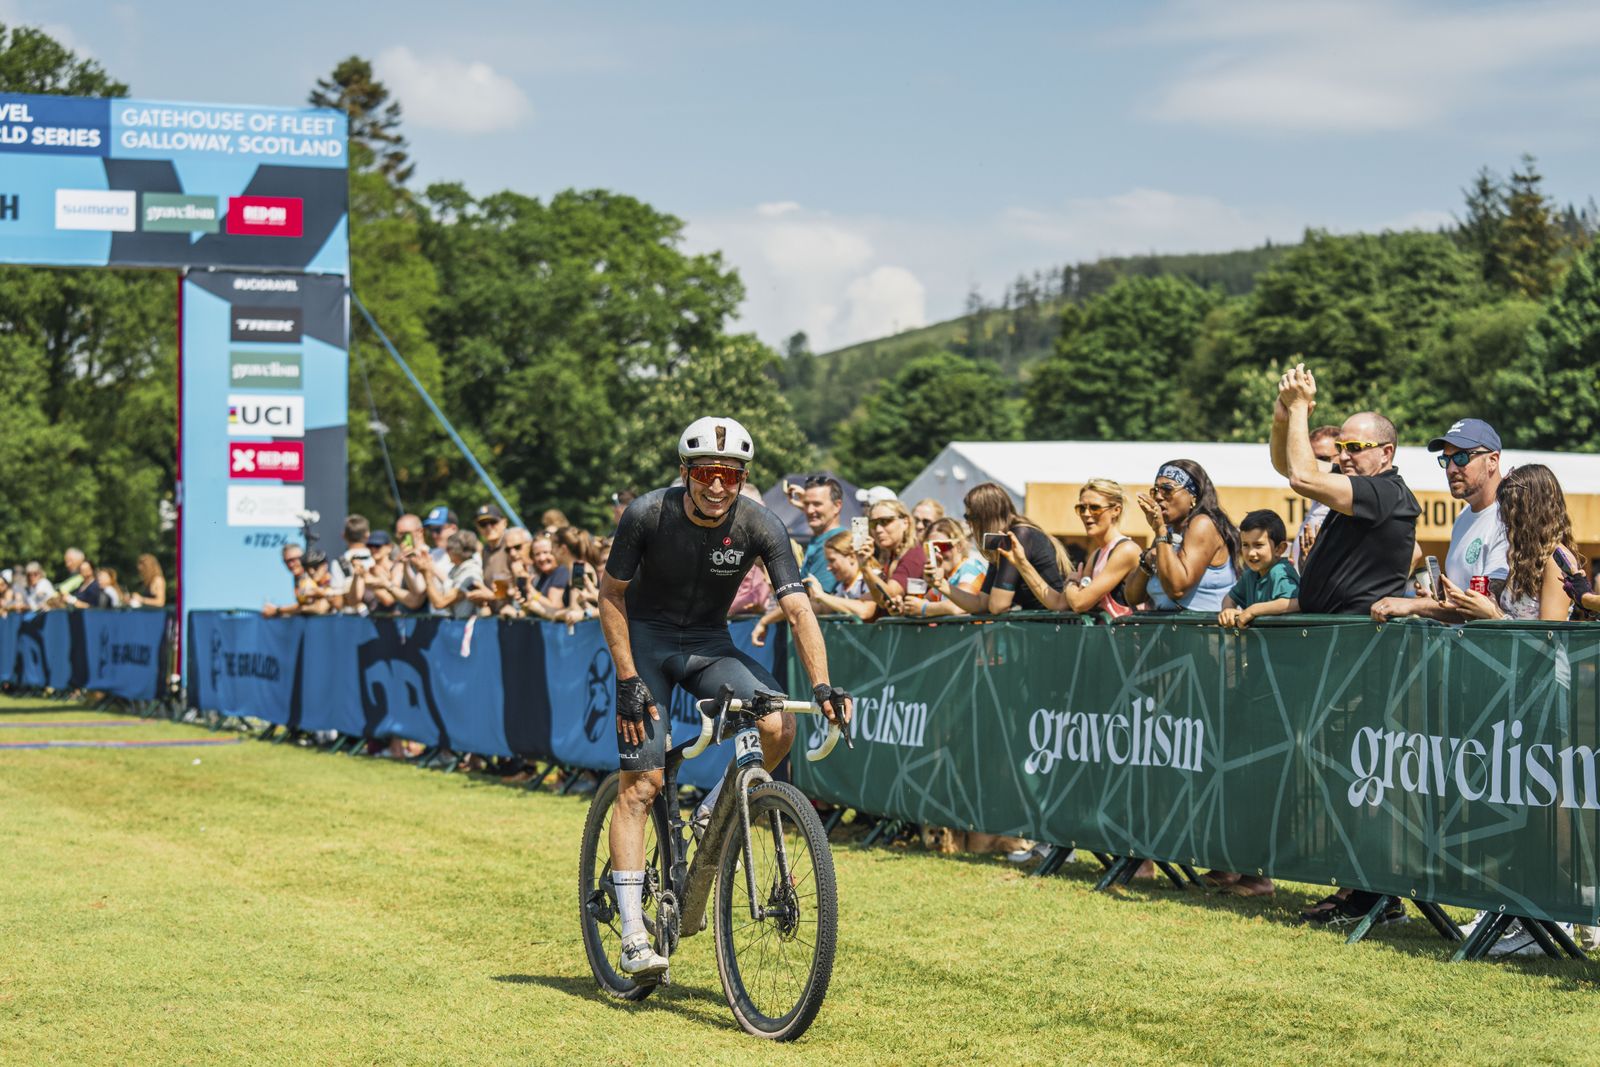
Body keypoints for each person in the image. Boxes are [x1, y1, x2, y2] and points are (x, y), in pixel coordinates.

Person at [601, 415, 851, 980]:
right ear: (687, 471)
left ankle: (717, 805)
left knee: (778, 723)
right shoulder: (646, 514)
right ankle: (635, 935)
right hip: (646, 642)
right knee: (642, 785)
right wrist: (625, 678)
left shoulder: (760, 524)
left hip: (709, 644)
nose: (719, 485)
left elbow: (798, 607)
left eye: (732, 475)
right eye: (708, 472)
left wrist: (822, 684)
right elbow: (611, 593)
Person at [1271, 363, 1419, 927]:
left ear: (1386, 451)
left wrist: (1305, 407)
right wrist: (1286, 411)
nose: (1347, 454)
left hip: (1365, 660)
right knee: (1340, 776)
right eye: (1344, 446)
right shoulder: (1358, 490)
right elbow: (1293, 465)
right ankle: (1357, 890)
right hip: (1338, 655)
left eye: (1358, 446)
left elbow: (1302, 479)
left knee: (1365, 779)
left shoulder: (1385, 492)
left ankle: (1376, 895)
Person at [1371, 419, 1508, 623]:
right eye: (1446, 460)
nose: (1451, 469)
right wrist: (1437, 599)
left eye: (1461, 457)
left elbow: (1486, 606)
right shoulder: (1463, 517)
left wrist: (1413, 605)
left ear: (1493, 460)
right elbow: (1461, 608)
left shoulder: (1509, 517)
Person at [1443, 464, 1580, 623]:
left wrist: (1495, 615)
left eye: (1510, 510)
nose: (1503, 518)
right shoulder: (1521, 557)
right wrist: (1463, 603)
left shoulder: (1557, 560)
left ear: (1531, 512)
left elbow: (1549, 637)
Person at [997, 478, 1139, 616]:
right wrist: (1021, 563)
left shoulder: (1126, 550)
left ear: (1116, 510)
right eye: (1081, 508)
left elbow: (1079, 603)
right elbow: (1058, 603)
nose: (1086, 514)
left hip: (1127, 639)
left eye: (1095, 508)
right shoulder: (1096, 555)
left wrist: (1071, 582)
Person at [934, 483, 1067, 615]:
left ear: (984, 516)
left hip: (1055, 625)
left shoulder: (1017, 536)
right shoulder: (1003, 540)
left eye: (969, 517)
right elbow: (981, 603)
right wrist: (941, 584)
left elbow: (998, 606)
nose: (968, 523)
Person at [1123, 461, 1239, 613]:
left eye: (1167, 489)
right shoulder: (1166, 531)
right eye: (1155, 490)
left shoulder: (1202, 524)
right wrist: (1146, 562)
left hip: (1204, 632)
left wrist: (1160, 532)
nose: (1158, 496)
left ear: (1192, 496)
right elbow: (1132, 597)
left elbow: (1177, 589)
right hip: (1171, 632)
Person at [1216, 510, 1300, 631]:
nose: (1251, 553)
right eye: (1245, 545)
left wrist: (1253, 610)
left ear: (1279, 548)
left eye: (1258, 545)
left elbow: (1294, 603)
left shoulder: (1281, 571)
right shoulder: (1250, 574)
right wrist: (1227, 610)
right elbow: (1230, 597)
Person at [854, 497, 928, 617]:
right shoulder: (890, 556)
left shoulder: (915, 554)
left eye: (885, 522)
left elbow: (889, 596)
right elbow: (879, 599)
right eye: (873, 523)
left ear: (905, 522)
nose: (878, 530)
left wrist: (865, 567)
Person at [910, 517, 988, 618]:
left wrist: (924, 608)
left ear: (959, 546)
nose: (937, 554)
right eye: (931, 548)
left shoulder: (970, 567)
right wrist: (904, 606)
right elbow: (924, 601)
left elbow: (961, 607)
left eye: (943, 546)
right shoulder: (947, 576)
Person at [1289, 426, 1341, 567]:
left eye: (1323, 459)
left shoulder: (1345, 505)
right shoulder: (1318, 501)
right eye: (1310, 460)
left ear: (1344, 456)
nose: (1313, 466)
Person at [803, 530, 875, 620]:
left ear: (851, 557)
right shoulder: (841, 586)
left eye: (832, 560)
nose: (828, 568)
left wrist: (822, 595)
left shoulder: (872, 577)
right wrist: (813, 598)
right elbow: (823, 609)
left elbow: (865, 610)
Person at [426, 530, 485, 619]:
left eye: (448, 548)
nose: (446, 552)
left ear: (456, 551)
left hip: (467, 626)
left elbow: (440, 603)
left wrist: (425, 573)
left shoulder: (470, 574)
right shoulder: (458, 570)